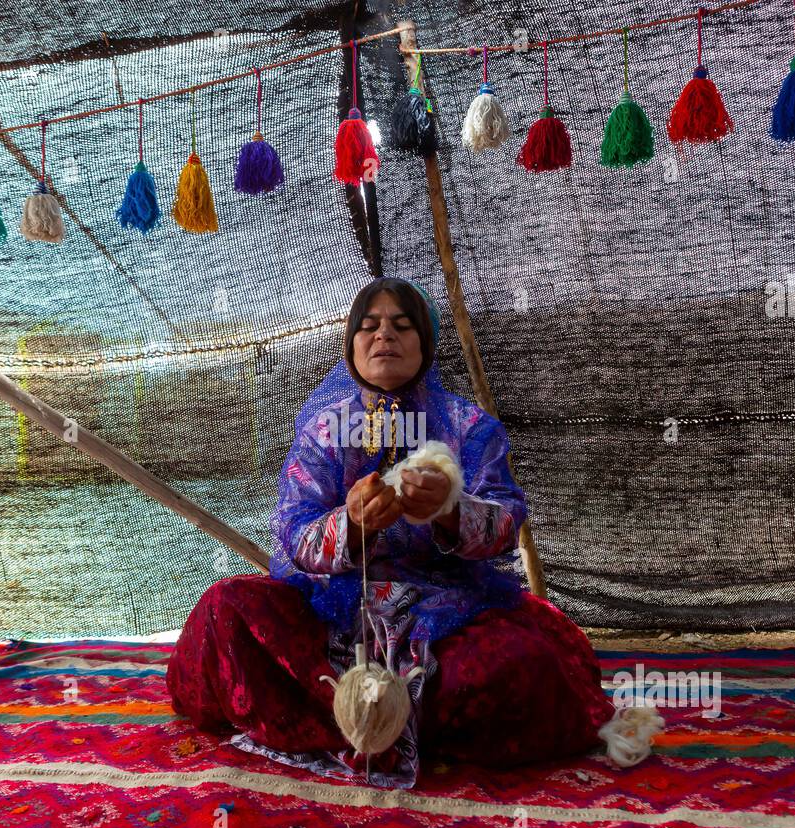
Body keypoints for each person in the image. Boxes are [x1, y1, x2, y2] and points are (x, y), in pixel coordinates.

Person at [167, 277, 655, 788]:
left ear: (425, 344)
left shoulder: (469, 426)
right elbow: (293, 534)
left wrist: (449, 510)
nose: (384, 337)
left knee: (522, 663)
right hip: (333, 615)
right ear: (351, 346)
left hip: (446, 614)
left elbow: (505, 524)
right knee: (225, 611)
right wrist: (350, 525)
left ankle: (353, 720)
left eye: (402, 326)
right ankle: (382, 720)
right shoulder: (325, 430)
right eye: (369, 327)